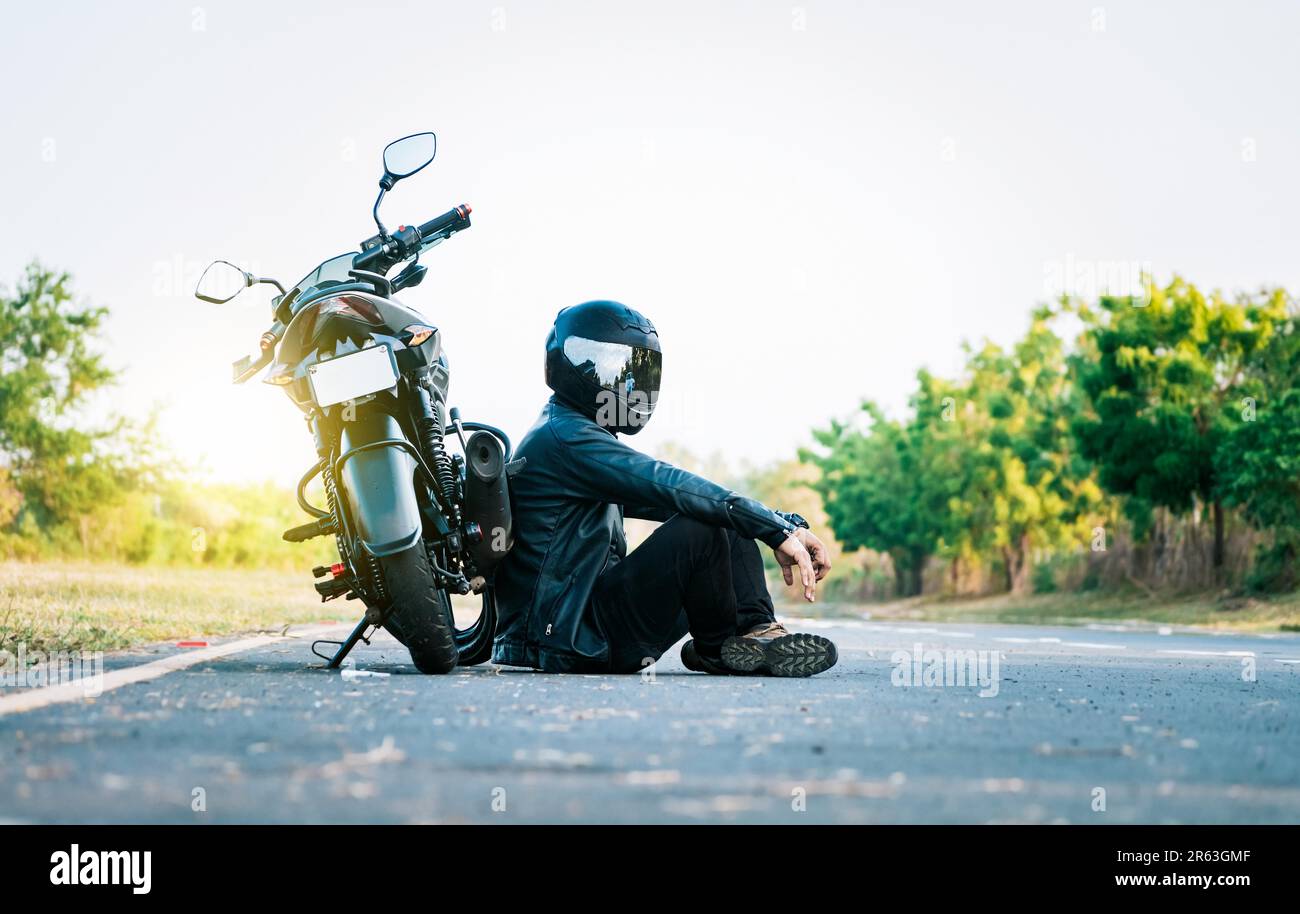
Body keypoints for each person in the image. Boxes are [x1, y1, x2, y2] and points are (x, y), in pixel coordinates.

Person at [492, 300, 838, 677]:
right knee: (707, 520)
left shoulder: (572, 433)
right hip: (568, 637)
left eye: (637, 371)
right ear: (570, 363)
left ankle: (756, 634)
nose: (629, 383)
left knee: (722, 513)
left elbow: (687, 499)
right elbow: (669, 484)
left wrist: (784, 524)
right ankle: (719, 648)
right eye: (613, 367)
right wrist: (775, 529)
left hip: (589, 624)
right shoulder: (566, 438)